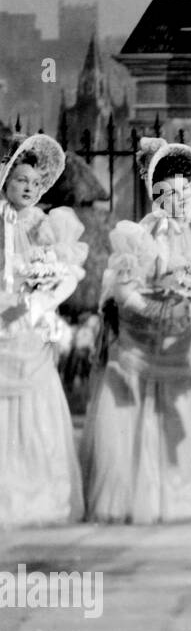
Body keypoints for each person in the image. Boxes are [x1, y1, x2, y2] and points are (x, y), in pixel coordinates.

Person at [82, 138, 191, 523]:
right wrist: (153, 309)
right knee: (138, 407)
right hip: (142, 334)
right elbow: (122, 290)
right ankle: (136, 493)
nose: (180, 198)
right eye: (169, 192)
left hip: (179, 335)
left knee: (180, 410)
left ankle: (184, 492)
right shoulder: (140, 234)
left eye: (186, 191)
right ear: (156, 195)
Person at [0, 134, 88, 528]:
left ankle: (39, 493)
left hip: (31, 324)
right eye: (21, 180)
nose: (29, 189)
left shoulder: (44, 225)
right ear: (4, 181)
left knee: (37, 404)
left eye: (36, 184)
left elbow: (65, 272)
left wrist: (43, 296)